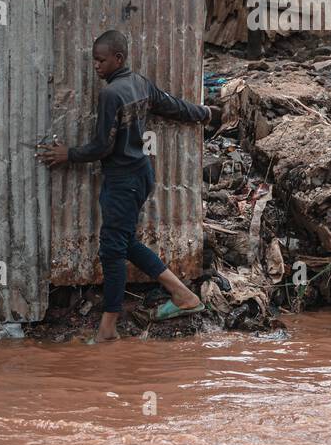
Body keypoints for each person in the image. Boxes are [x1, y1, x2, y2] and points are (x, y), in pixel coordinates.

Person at [37, 29, 219, 342]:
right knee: (124, 243)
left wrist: (69, 154)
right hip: (141, 175)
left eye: (101, 60)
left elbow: (101, 147)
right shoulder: (140, 84)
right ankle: (183, 296)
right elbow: (172, 106)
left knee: (111, 250)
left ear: (118, 59)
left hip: (123, 180)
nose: (96, 66)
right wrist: (206, 113)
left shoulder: (110, 95)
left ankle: (108, 327)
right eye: (94, 60)